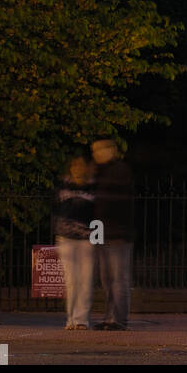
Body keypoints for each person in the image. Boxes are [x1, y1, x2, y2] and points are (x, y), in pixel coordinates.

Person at [91, 138, 134, 331]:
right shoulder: (99, 171)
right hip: (103, 231)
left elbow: (115, 203)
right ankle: (110, 317)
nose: (95, 154)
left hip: (118, 232)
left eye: (98, 150)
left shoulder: (119, 170)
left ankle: (119, 319)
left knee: (118, 278)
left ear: (110, 151)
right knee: (107, 278)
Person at [54, 152, 96, 330]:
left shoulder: (94, 187)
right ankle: (70, 319)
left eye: (80, 165)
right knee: (71, 280)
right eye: (74, 165)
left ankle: (82, 320)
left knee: (86, 280)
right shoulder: (62, 184)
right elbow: (55, 210)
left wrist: (98, 239)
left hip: (87, 239)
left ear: (86, 167)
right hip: (66, 238)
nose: (77, 168)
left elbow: (99, 214)